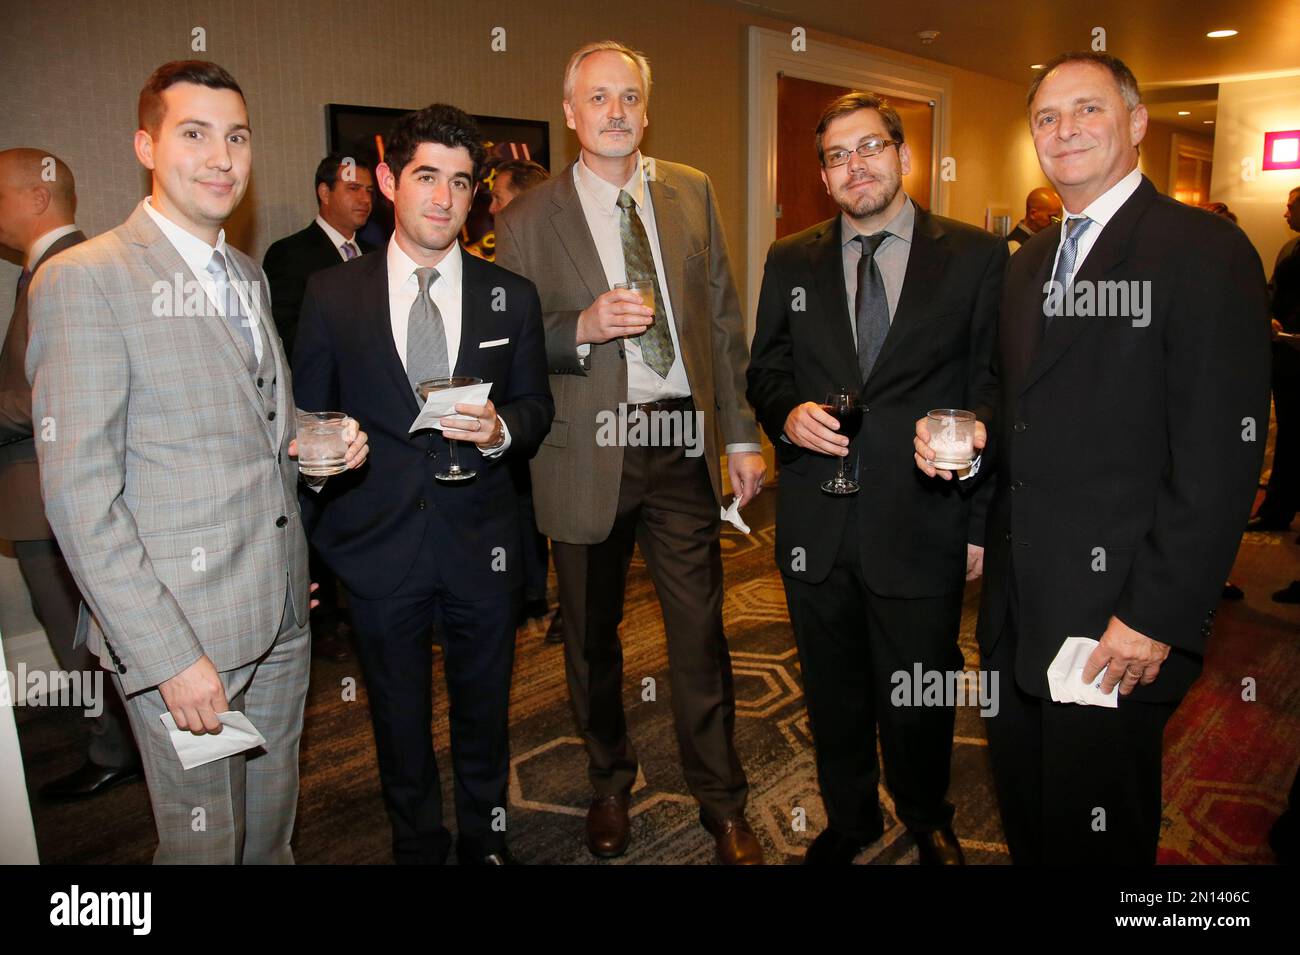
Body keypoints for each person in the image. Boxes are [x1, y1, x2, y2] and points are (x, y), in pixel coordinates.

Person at [915, 51, 1270, 864]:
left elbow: (1220, 460)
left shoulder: (1203, 252)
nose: (1063, 130)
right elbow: (1019, 405)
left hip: (1121, 616)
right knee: (1030, 811)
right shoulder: (1029, 262)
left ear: (1137, 123)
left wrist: (1155, 615)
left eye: (1088, 111)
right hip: (1017, 604)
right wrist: (976, 438)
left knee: (1098, 827)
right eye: (1046, 117)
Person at [26, 60, 368, 864]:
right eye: (194, 133)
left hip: (283, 610)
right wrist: (169, 657)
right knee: (203, 845)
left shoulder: (245, 274)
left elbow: (262, 425)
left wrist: (323, 437)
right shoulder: (85, 280)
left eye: (237, 136)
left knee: (270, 832)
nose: (222, 156)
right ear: (146, 144)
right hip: (183, 636)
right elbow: (80, 497)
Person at [495, 40, 767, 864]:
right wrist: (577, 329)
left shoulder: (691, 189)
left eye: (629, 98)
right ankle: (609, 778)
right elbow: (509, 343)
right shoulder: (524, 218)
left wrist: (742, 433)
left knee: (700, 630)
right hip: (584, 450)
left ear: (646, 110)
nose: (615, 112)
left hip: (677, 434)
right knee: (590, 636)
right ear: (571, 112)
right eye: (597, 98)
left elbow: (723, 320)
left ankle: (722, 800)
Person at [747, 92, 1004, 865]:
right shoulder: (790, 257)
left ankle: (928, 816)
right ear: (824, 175)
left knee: (920, 689)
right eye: (836, 155)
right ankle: (851, 817)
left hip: (925, 517)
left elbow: (996, 387)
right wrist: (786, 413)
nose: (854, 165)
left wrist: (980, 522)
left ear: (903, 155)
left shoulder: (974, 256)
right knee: (833, 690)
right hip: (815, 523)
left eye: (869, 147)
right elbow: (767, 369)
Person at [293, 103, 553, 866]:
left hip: (483, 544)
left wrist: (502, 427)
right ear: (388, 181)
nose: (444, 198)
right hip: (377, 547)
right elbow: (310, 417)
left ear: (477, 196)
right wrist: (323, 464)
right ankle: (417, 844)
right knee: (398, 720)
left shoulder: (515, 296)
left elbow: (538, 406)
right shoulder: (332, 295)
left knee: (485, 713)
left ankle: (486, 839)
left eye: (462, 182)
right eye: (426, 176)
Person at [0, 148, 140, 800]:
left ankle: (116, 745)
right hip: (45, 491)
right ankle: (123, 740)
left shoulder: (65, 269)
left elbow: (46, 391)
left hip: (51, 491)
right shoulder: (56, 267)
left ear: (36, 197)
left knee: (74, 632)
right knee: (84, 630)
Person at [263, 153, 378, 663]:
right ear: (324, 193)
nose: (365, 199)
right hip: (322, 417)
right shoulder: (291, 255)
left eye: (371, 191)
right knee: (323, 516)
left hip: (376, 414)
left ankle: (368, 610)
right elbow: (289, 343)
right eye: (353, 188)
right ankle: (324, 622)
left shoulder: (378, 252)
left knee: (370, 518)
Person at [486, 158, 562, 642]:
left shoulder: (554, 252)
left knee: (555, 514)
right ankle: (531, 594)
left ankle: (562, 606)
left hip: (557, 408)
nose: (490, 208)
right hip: (511, 413)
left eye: (496, 197)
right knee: (524, 509)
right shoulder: (499, 259)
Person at [1248, 185, 1300, 538]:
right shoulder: (1289, 248)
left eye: (1291, 207)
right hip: (1286, 360)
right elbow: (1273, 292)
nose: (1286, 213)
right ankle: (1277, 509)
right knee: (1289, 438)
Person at [1007, 186, 1062, 252]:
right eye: (1051, 216)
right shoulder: (1014, 246)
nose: (1055, 222)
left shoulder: (1042, 238)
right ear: (1033, 214)